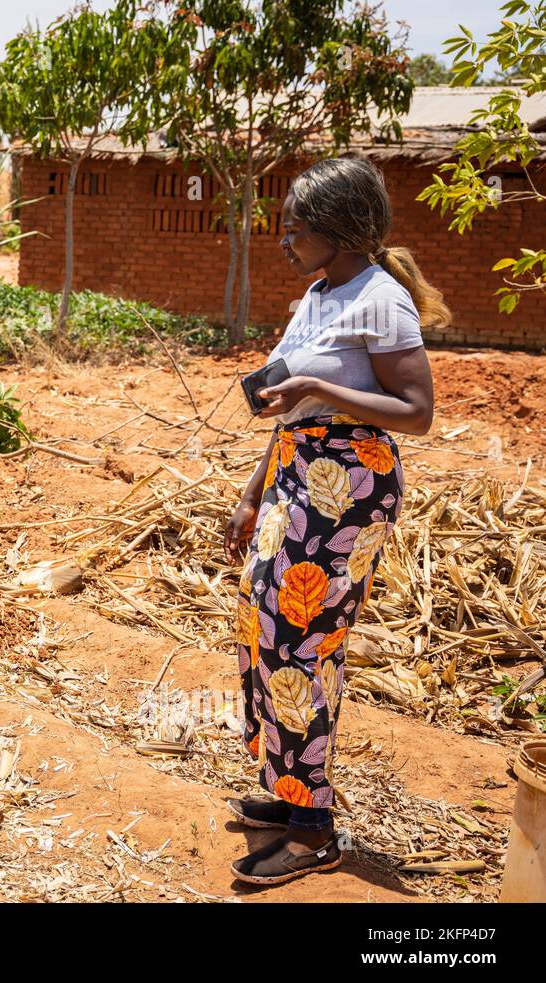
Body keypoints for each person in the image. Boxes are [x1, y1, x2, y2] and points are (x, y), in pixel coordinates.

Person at [223, 157, 448, 885]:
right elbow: (294, 406)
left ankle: (315, 830)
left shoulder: (382, 300)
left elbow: (417, 413)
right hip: (295, 475)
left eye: (297, 229)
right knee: (265, 629)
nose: (285, 240)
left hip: (347, 489)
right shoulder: (320, 292)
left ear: (341, 232)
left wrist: (320, 384)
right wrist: (254, 491)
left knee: (304, 642)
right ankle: (290, 793)